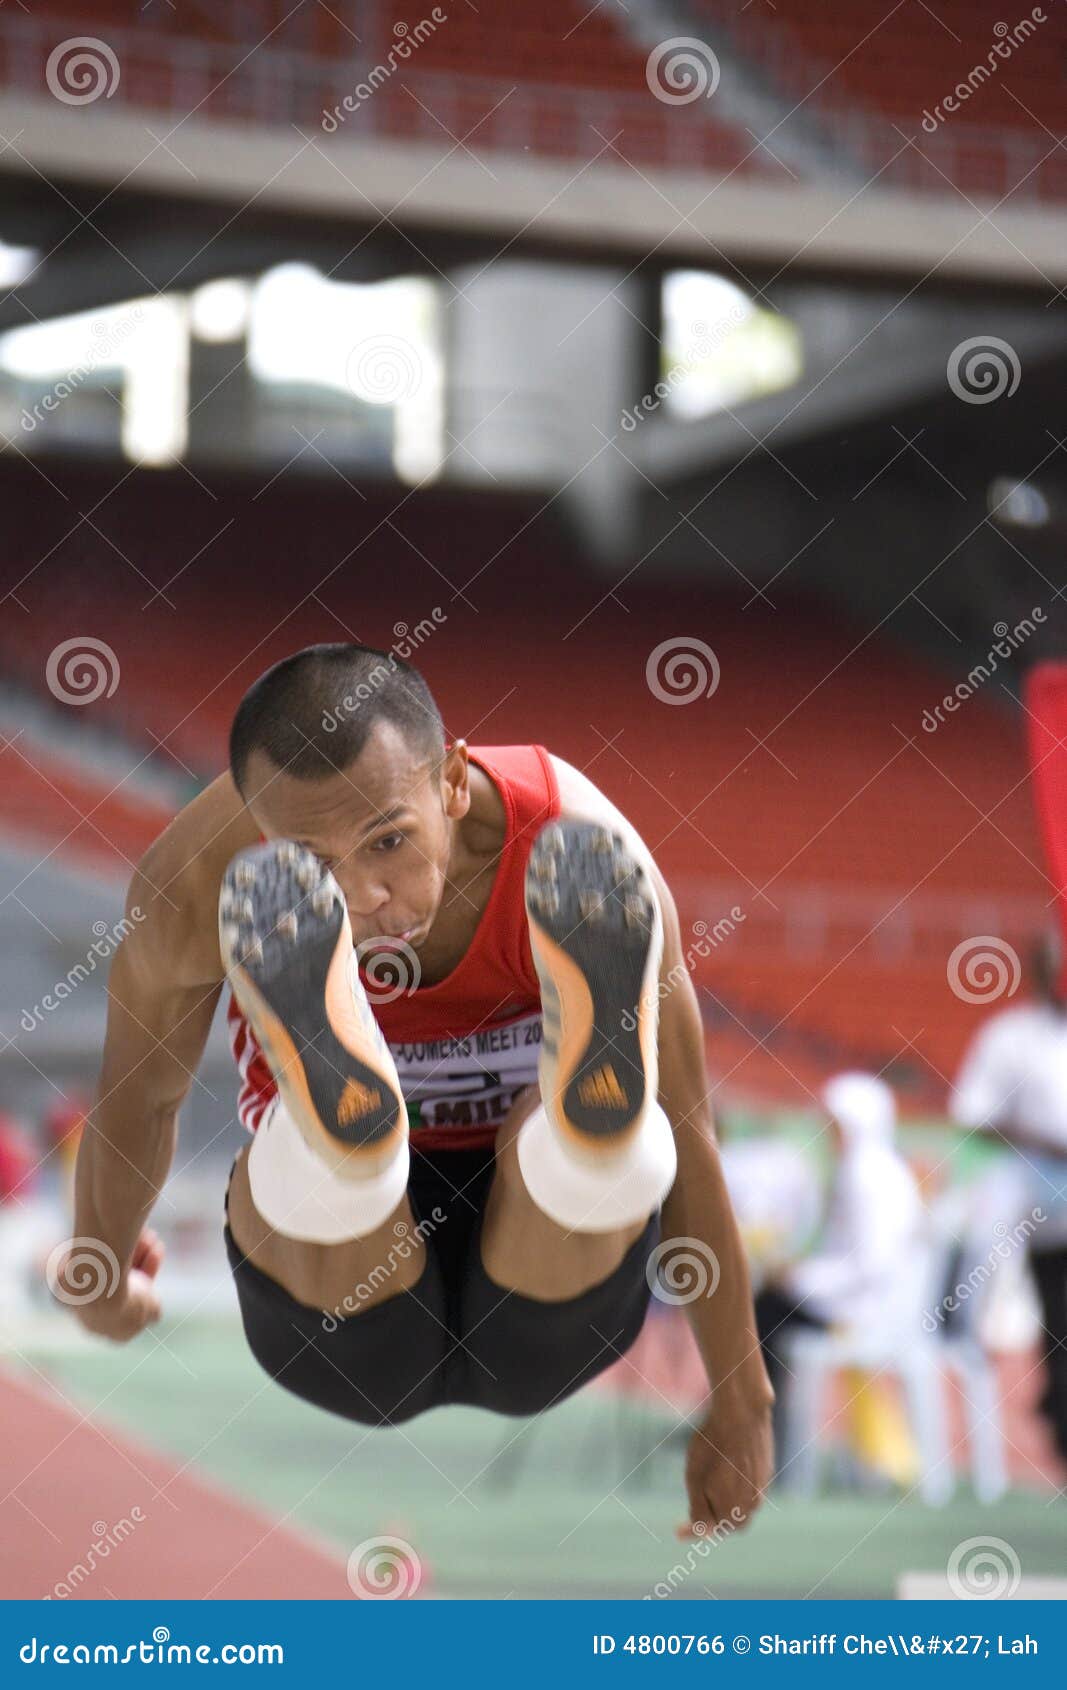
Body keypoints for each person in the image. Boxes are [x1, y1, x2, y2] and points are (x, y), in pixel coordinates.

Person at [56, 642, 772, 1537]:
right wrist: (740, 1403)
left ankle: (536, 1128)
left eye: (389, 841)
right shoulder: (197, 881)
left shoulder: (582, 844)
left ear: (455, 783)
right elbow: (137, 1100)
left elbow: (145, 1097)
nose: (365, 897)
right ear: (253, 821)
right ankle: (363, 1138)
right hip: (427, 1300)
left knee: (571, 1144)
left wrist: (102, 1276)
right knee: (410, 1172)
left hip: (464, 1283)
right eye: (311, 861)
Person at [755, 1073, 923, 1453]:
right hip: (865, 1301)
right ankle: (762, 1433)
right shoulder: (870, 1168)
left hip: (867, 1311)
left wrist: (798, 1278)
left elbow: (870, 1265)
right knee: (767, 1306)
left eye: (833, 1123)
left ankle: (763, 1436)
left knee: (763, 1311)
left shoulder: (869, 1176)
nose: (826, 1131)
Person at [950, 933, 1067, 1464]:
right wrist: (1042, 1141)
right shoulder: (1012, 1036)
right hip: (1046, 1209)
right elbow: (972, 1113)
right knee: (1057, 1323)